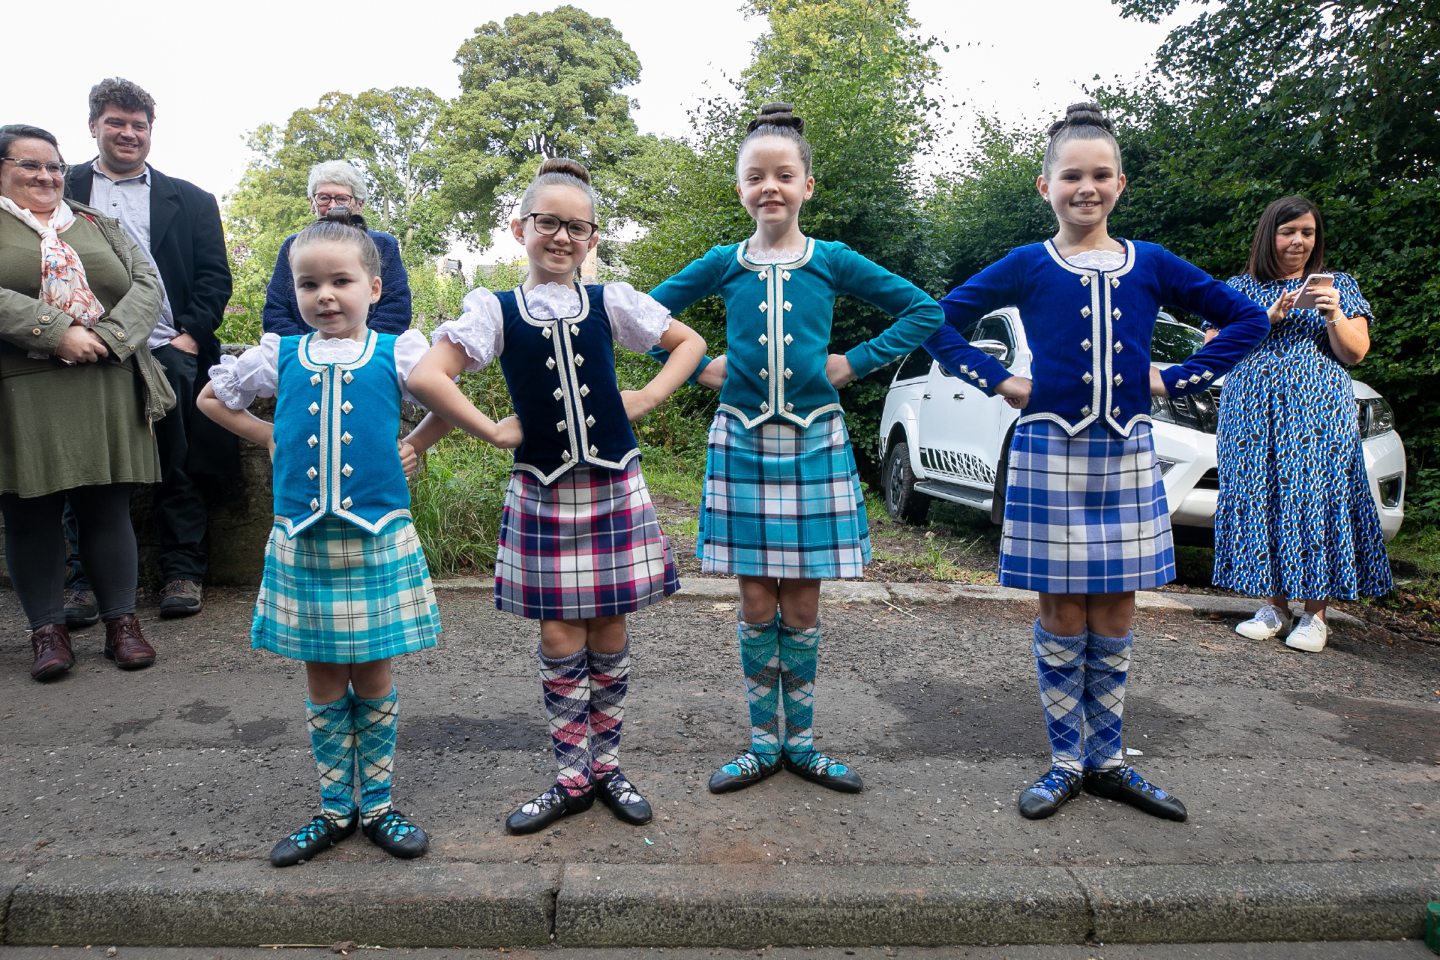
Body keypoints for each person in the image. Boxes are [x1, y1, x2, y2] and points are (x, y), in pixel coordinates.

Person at [924, 102, 1270, 822]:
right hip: (1048, 449)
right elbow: (934, 321)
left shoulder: (1153, 263)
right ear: (1045, 186)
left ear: (1120, 184)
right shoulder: (1028, 263)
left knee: (1115, 607)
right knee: (1060, 608)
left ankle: (1107, 762)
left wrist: (1177, 378)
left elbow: (1247, 319)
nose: (1087, 187)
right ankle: (1064, 763)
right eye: (1072, 175)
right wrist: (1000, 380)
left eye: (1101, 175)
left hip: (1126, 452)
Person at [647, 103, 944, 797]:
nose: (770, 187)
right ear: (740, 189)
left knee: (803, 603)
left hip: (815, 441)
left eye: (784, 175)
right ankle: (761, 745)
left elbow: (924, 310)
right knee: (756, 600)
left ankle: (801, 744)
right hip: (742, 443)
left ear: (807, 185)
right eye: (756, 177)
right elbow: (639, 317)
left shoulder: (831, 260)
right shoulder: (724, 263)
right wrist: (696, 365)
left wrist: (855, 362)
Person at [408, 158, 705, 834]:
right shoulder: (496, 310)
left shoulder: (609, 301)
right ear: (521, 228)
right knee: (560, 632)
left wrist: (646, 396)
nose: (562, 236)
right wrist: (491, 430)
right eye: (548, 222)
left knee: (611, 628)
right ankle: (573, 776)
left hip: (613, 485)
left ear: (592, 238)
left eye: (577, 227)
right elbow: (428, 376)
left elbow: (689, 344)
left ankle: (609, 767)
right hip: (543, 493)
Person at [198, 210, 449, 866]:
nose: (325, 296)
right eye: (309, 284)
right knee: (322, 675)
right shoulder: (280, 354)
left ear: (374, 287)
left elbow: (445, 401)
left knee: (373, 672)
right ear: (295, 291)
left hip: (375, 537)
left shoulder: (398, 350)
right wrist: (268, 434)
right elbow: (211, 399)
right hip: (305, 542)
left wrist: (415, 445)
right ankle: (336, 808)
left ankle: (380, 806)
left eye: (341, 281)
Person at [0, 123, 172, 679]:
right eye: (29, 165)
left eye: (54, 166)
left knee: (107, 507)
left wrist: (108, 337)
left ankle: (122, 624)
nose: (46, 176)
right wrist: (56, 332)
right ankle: (47, 632)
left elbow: (147, 284)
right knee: (30, 514)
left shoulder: (96, 224)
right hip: (19, 387)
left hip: (106, 377)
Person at [65, 77, 236, 621]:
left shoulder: (191, 200)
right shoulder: (59, 188)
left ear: (150, 131)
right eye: (115, 122)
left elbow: (214, 278)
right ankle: (81, 582)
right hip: (81, 348)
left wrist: (189, 337)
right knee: (83, 466)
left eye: (138, 125)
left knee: (177, 463)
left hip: (165, 348)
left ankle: (183, 570)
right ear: (93, 126)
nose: (128, 133)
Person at [1210, 196, 1392, 653]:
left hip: (1318, 415)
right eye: (1288, 231)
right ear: (1268, 235)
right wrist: (1266, 318)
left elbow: (1355, 352)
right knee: (1261, 495)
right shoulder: (1238, 288)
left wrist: (1333, 314)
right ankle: (1273, 607)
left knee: (1315, 498)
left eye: (1307, 233)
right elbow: (1215, 349)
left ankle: (1315, 615)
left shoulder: (1340, 285)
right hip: (1250, 414)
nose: (1298, 241)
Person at [263, 160, 411, 337]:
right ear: (312, 204)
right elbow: (276, 311)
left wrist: (364, 346)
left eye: (342, 199)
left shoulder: (383, 245)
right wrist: (305, 347)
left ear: (359, 205)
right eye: (323, 198)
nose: (332, 206)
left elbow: (395, 309)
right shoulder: (293, 246)